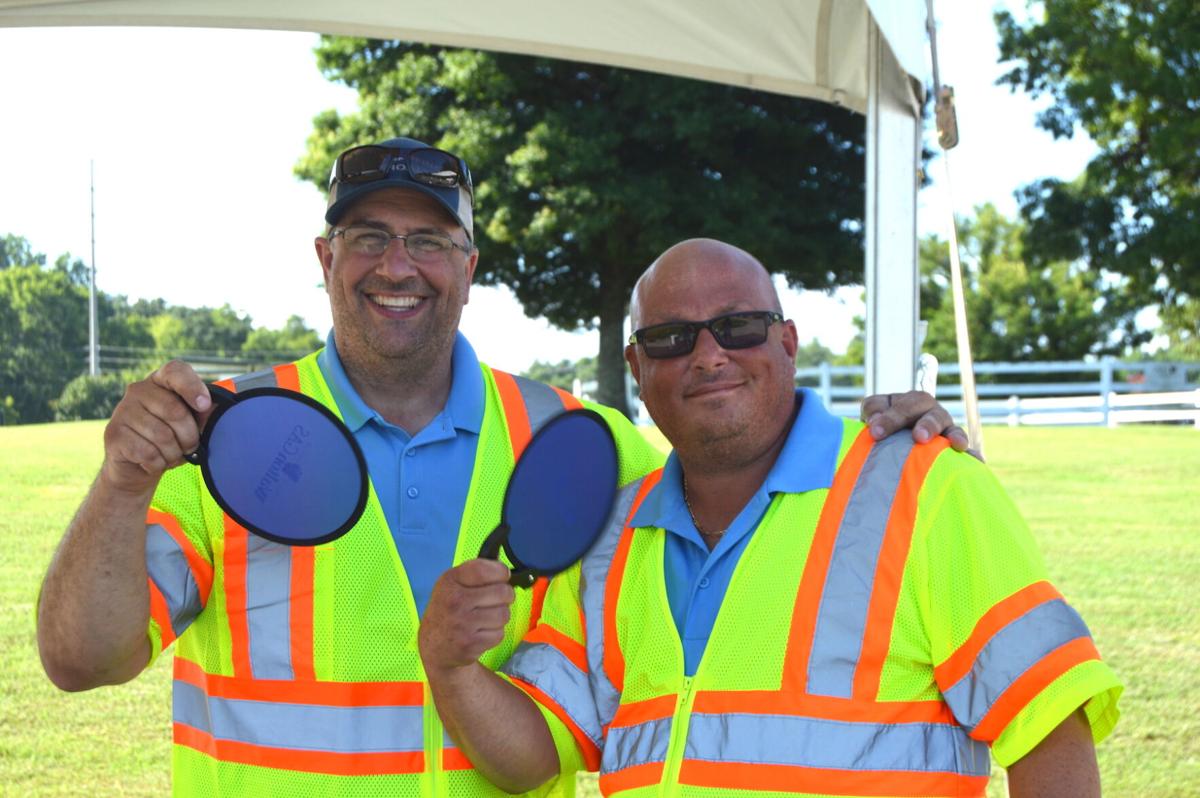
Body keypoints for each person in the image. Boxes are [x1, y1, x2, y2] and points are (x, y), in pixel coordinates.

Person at [37, 138, 962, 797]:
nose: (398, 265)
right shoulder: (225, 436)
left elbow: (746, 481)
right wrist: (122, 481)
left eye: (430, 240)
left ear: (470, 266)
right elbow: (80, 660)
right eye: (368, 236)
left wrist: (903, 442)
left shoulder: (583, 440)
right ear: (325, 258)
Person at [418, 238, 1124, 797]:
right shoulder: (612, 538)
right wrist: (450, 667)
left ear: (786, 341)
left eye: (738, 327)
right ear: (636, 366)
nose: (709, 355)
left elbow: (1049, 726)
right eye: (671, 338)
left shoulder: (926, 486)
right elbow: (534, 752)